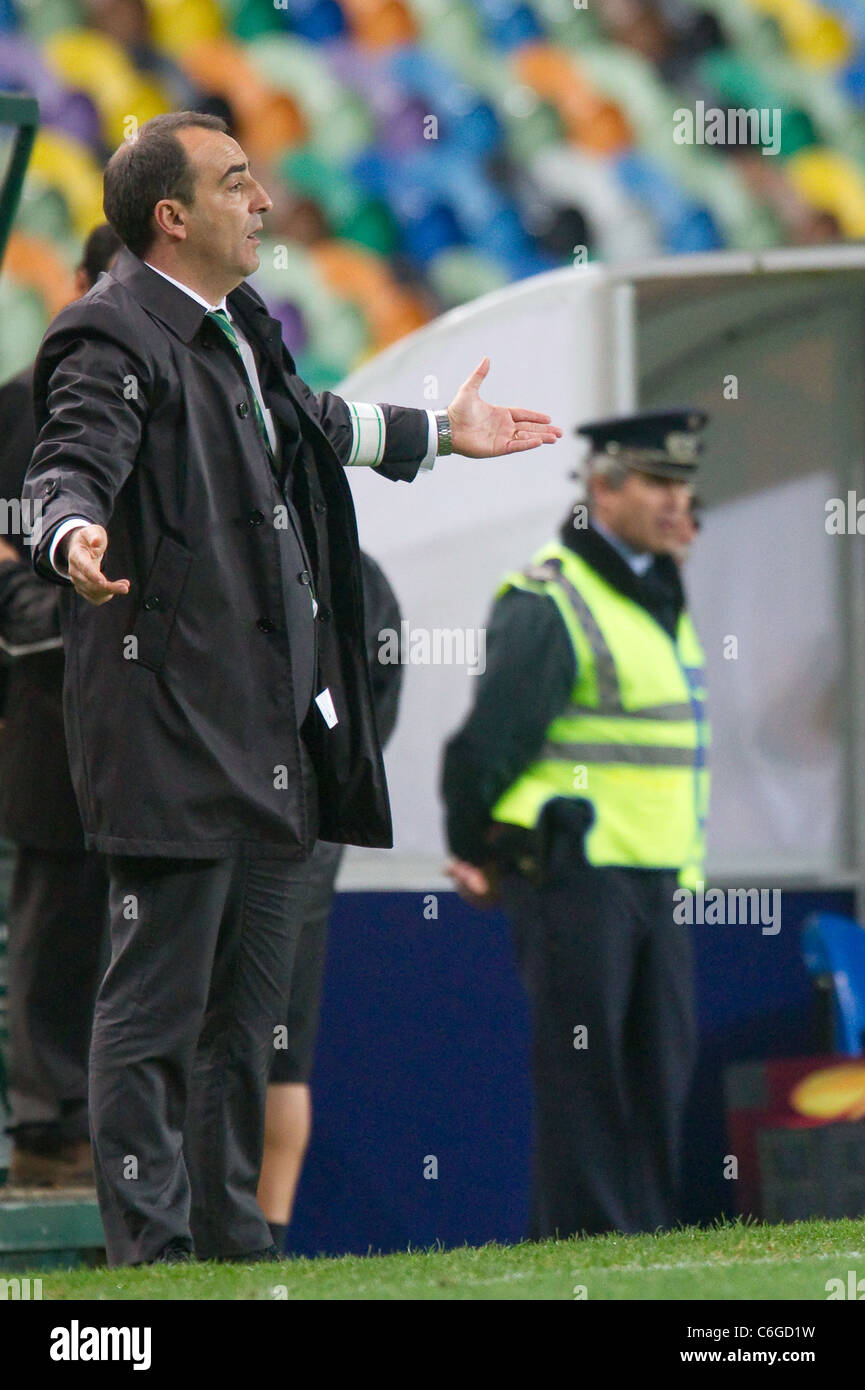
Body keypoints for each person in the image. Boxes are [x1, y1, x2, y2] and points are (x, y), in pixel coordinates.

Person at [21, 110, 561, 1266]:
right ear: (173, 218)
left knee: (247, 1023)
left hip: (270, 735)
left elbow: (311, 424)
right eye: (236, 182)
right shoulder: (105, 337)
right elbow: (70, 461)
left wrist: (441, 433)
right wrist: (67, 532)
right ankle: (153, 1256)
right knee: (156, 1015)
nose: (264, 199)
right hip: (170, 733)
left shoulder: (236, 326)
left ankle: (231, 1242)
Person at [441, 408, 711, 1240]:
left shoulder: (656, 593)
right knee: (586, 1076)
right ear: (603, 487)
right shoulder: (553, 595)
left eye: (684, 485)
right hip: (573, 874)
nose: (679, 504)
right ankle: (588, 1249)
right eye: (660, 483)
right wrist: (474, 849)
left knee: (658, 1072)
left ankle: (643, 1243)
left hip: (657, 876)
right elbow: (485, 745)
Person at [0, 224, 121, 1187]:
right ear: (79, 286)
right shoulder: (12, 415)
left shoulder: (185, 396)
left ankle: (125, 1124)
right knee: (54, 917)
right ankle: (49, 1133)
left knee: (147, 925)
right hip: (41, 716)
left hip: (151, 722)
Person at [258, 552, 403, 1248]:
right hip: (304, 830)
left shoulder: (340, 574)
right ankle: (253, 1239)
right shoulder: (357, 574)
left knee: (234, 1043)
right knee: (277, 1051)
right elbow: (373, 721)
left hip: (247, 832)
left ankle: (231, 1238)